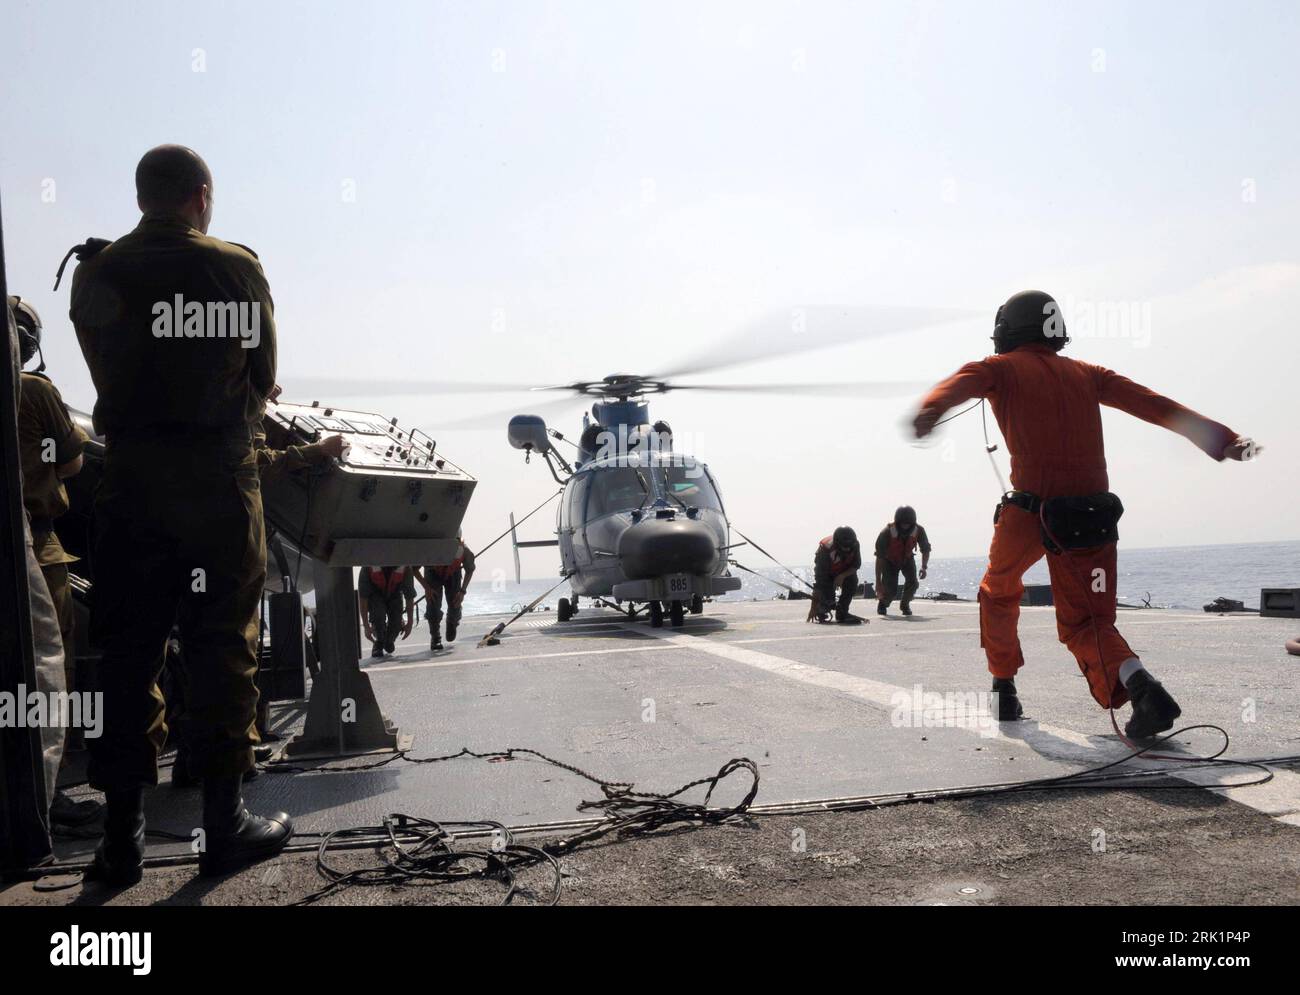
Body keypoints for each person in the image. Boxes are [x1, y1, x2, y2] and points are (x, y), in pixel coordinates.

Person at [69, 144, 291, 884]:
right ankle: (223, 823)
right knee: (223, 641)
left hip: (129, 486)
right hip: (217, 487)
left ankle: (122, 841)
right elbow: (262, 380)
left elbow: (104, 368)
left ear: (142, 198)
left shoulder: (97, 271)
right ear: (200, 196)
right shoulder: (235, 267)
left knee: (128, 653)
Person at [912, 289, 1256, 738]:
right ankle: (1139, 682)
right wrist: (1223, 440)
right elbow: (1154, 405)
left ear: (1006, 331)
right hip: (1092, 514)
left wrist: (930, 410)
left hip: (1033, 512)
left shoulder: (997, 368)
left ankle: (1004, 686)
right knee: (1089, 621)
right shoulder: (1089, 374)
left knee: (998, 590)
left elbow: (955, 385)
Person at [12, 296, 102, 827]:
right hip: (38, 548)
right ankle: (48, 796)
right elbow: (71, 460)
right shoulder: (34, 391)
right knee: (50, 670)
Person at [416, 540, 476, 651]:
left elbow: (470, 569)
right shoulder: (427, 548)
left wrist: (462, 591)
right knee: (433, 606)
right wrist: (427, 588)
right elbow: (414, 568)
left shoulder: (463, 550)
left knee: (455, 603)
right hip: (432, 573)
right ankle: (435, 636)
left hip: (453, 573)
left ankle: (452, 621)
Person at [874, 506, 931, 617]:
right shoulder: (886, 532)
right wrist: (878, 582)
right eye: (903, 524)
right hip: (889, 561)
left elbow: (925, 550)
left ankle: (905, 605)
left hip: (907, 559)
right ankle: (883, 603)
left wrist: (924, 567)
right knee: (891, 590)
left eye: (908, 524)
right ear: (897, 522)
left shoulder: (919, 530)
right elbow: (879, 557)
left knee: (913, 583)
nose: (905, 527)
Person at [357, 566, 415, 657]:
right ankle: (379, 642)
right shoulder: (368, 566)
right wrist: (366, 626)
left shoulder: (406, 567)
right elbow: (363, 598)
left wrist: (410, 623)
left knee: (396, 624)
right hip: (375, 595)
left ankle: (389, 640)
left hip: (395, 595)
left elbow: (409, 596)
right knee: (378, 615)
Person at [811, 526, 865, 624]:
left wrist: (842, 576)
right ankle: (822, 609)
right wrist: (813, 606)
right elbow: (820, 579)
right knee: (827, 597)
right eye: (844, 547)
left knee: (852, 581)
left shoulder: (855, 545)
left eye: (849, 547)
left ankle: (842, 612)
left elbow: (856, 565)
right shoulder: (825, 550)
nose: (847, 550)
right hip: (827, 574)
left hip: (844, 571)